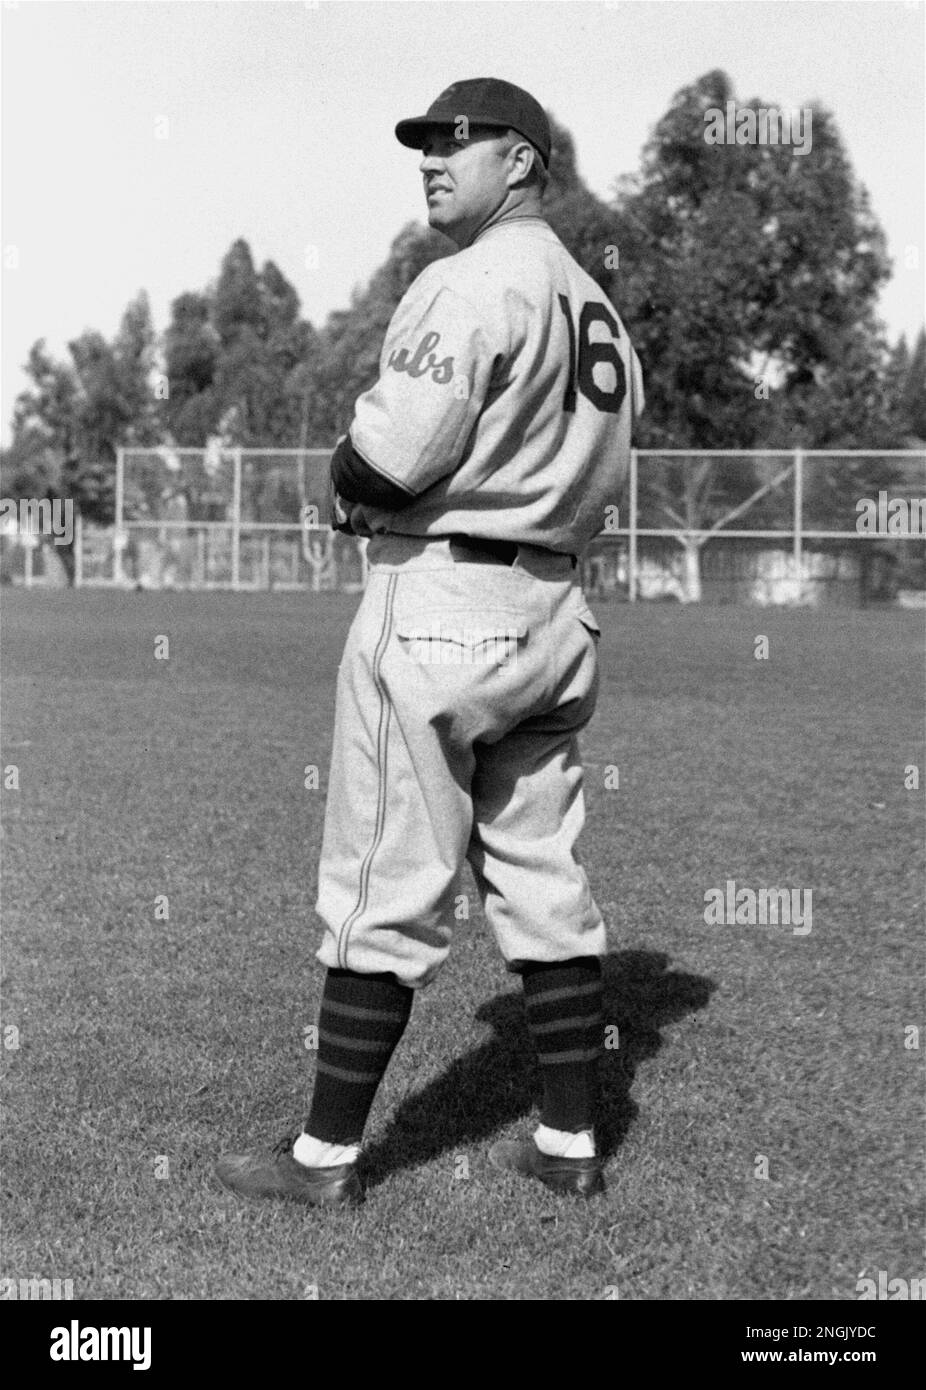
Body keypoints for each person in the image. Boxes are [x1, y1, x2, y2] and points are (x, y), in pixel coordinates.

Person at [216, 78, 644, 1207]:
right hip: (556, 609)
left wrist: (343, 487)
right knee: (544, 878)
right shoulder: (594, 305)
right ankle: (565, 1143)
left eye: (459, 142)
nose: (432, 158)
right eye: (424, 143)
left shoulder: (465, 281)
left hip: (446, 602)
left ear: (522, 163)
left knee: (379, 884)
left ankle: (319, 1162)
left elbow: (390, 460)